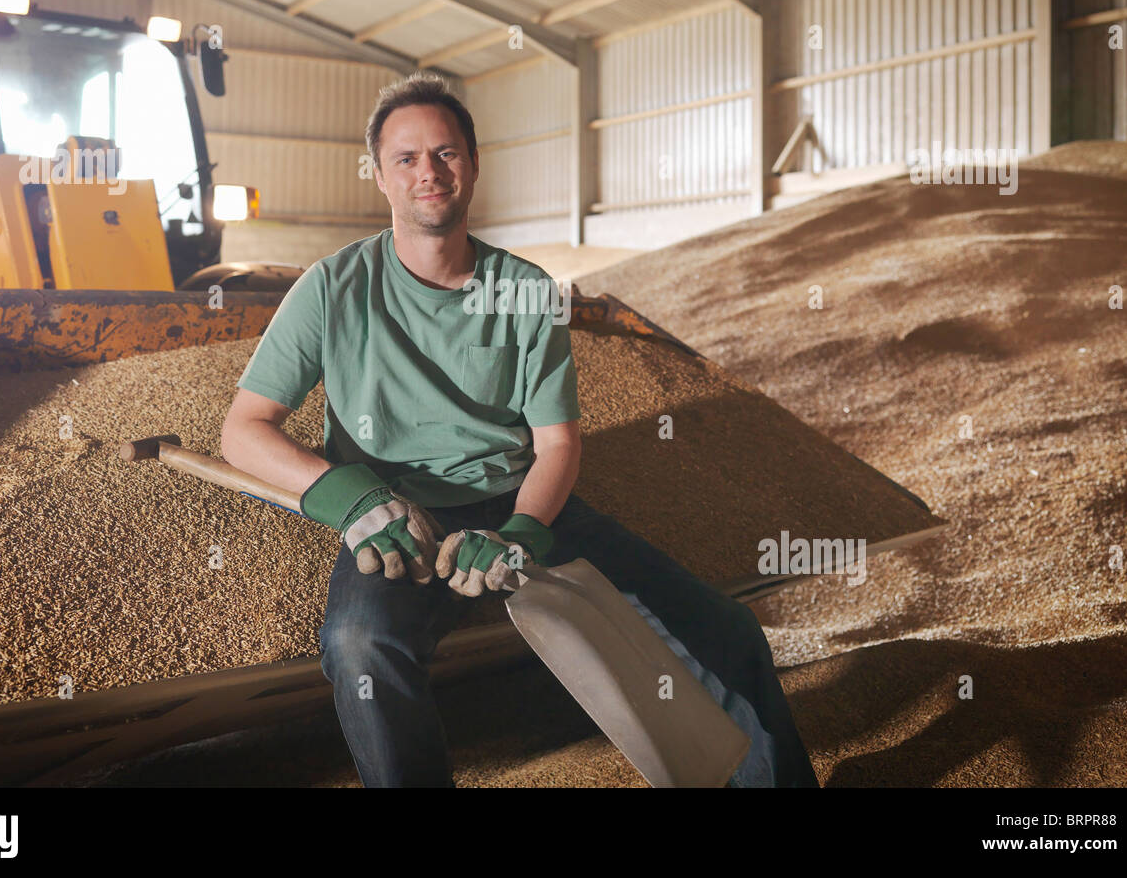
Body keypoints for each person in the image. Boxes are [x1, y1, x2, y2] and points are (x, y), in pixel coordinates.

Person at [221, 72, 818, 788]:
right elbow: (244, 429)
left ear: (472, 163)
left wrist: (524, 530)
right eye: (407, 158)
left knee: (727, 631)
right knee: (359, 643)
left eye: (445, 153)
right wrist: (350, 499)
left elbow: (558, 444)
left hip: (516, 501)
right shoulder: (333, 286)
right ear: (378, 174)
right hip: (396, 515)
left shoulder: (526, 290)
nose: (429, 172)